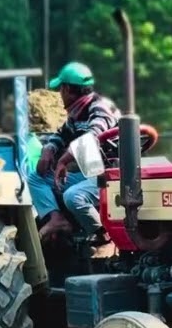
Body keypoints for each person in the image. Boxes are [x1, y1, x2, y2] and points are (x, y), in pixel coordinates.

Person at [22, 61, 121, 249]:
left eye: (60, 89)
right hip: (90, 174)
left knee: (73, 196)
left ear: (67, 89)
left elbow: (92, 136)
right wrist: (48, 149)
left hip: (110, 177)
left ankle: (103, 236)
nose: (59, 94)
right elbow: (61, 134)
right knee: (36, 178)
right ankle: (56, 219)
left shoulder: (100, 108)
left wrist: (64, 159)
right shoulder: (77, 114)